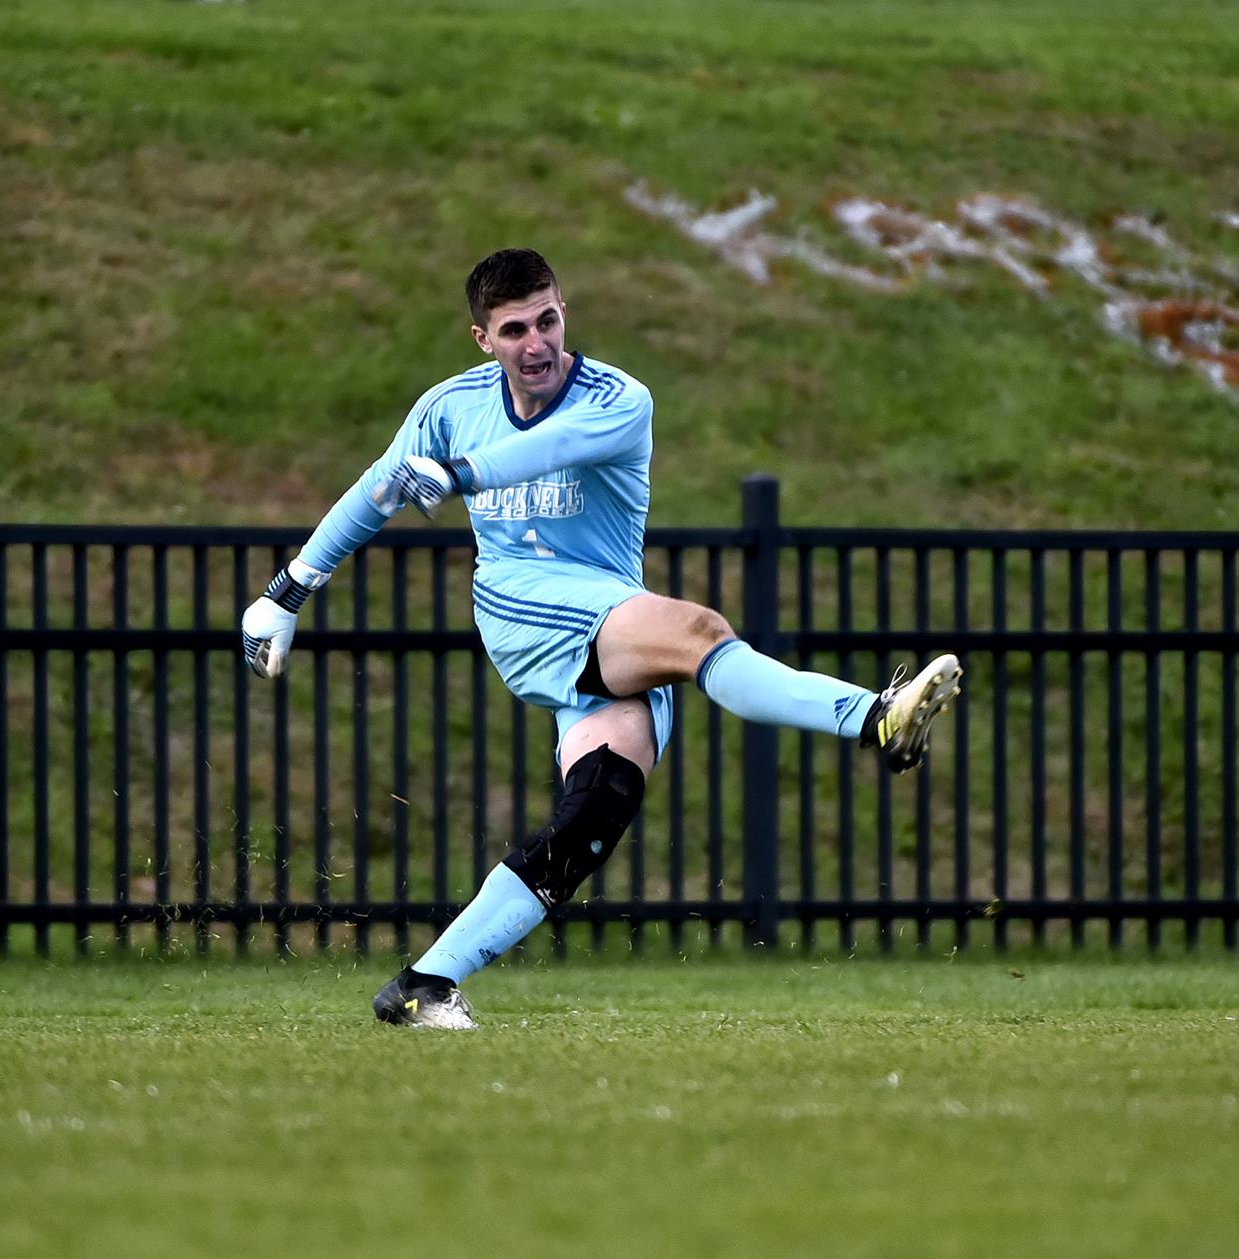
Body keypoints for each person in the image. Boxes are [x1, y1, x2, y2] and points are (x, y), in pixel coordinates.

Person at [240, 248, 961, 1029]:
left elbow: (548, 450)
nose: (537, 343)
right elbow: (378, 488)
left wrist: (460, 473)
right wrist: (288, 589)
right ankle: (875, 718)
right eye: (514, 329)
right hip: (522, 605)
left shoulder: (621, 399)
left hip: (606, 612)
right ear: (482, 338)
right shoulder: (451, 406)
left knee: (593, 813)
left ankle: (423, 985)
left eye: (547, 319)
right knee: (698, 630)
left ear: (563, 311)